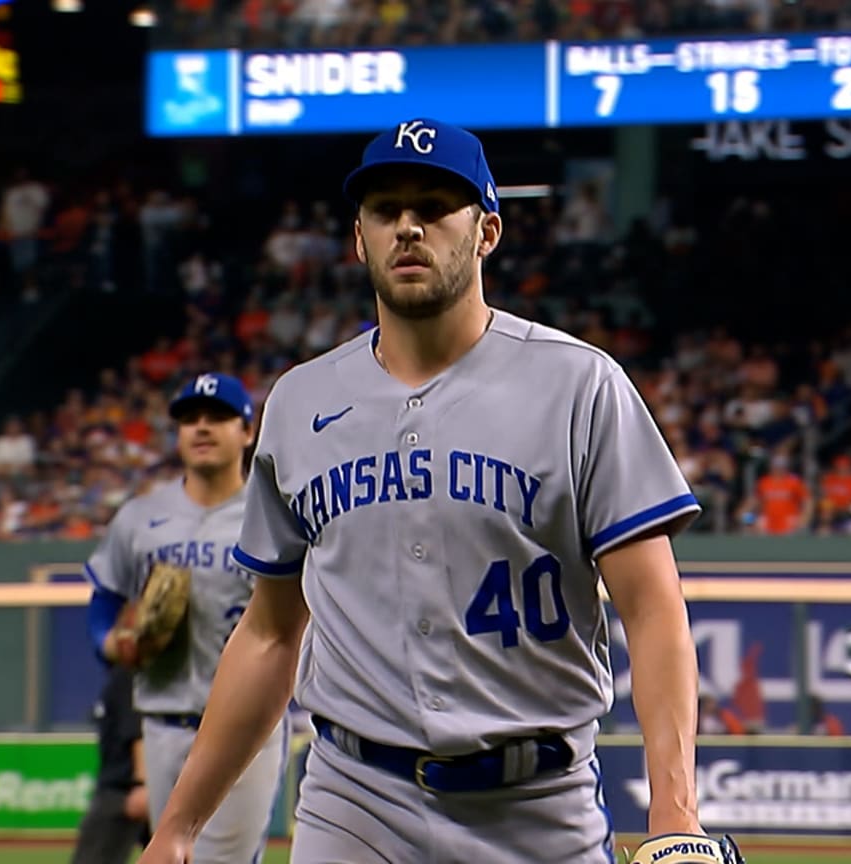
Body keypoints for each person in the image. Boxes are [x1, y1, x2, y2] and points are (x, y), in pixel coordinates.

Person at [142, 119, 723, 863]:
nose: (408, 226)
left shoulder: (580, 385)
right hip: (352, 800)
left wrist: (675, 810)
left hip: (537, 807)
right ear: (359, 239)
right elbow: (269, 632)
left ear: (486, 232)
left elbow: (652, 607)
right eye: (385, 210)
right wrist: (178, 827)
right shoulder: (297, 401)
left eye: (434, 206)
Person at [85, 371, 286, 863]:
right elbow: (103, 598)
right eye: (190, 419)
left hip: (245, 728)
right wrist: (113, 643)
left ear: (246, 431)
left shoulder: (271, 514)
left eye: (217, 418)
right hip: (163, 721)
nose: (201, 427)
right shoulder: (140, 517)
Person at [70, 664, 152, 864]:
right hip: (126, 790)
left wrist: (141, 784)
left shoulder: (128, 676)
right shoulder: (125, 676)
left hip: (122, 793)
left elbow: (136, 731)